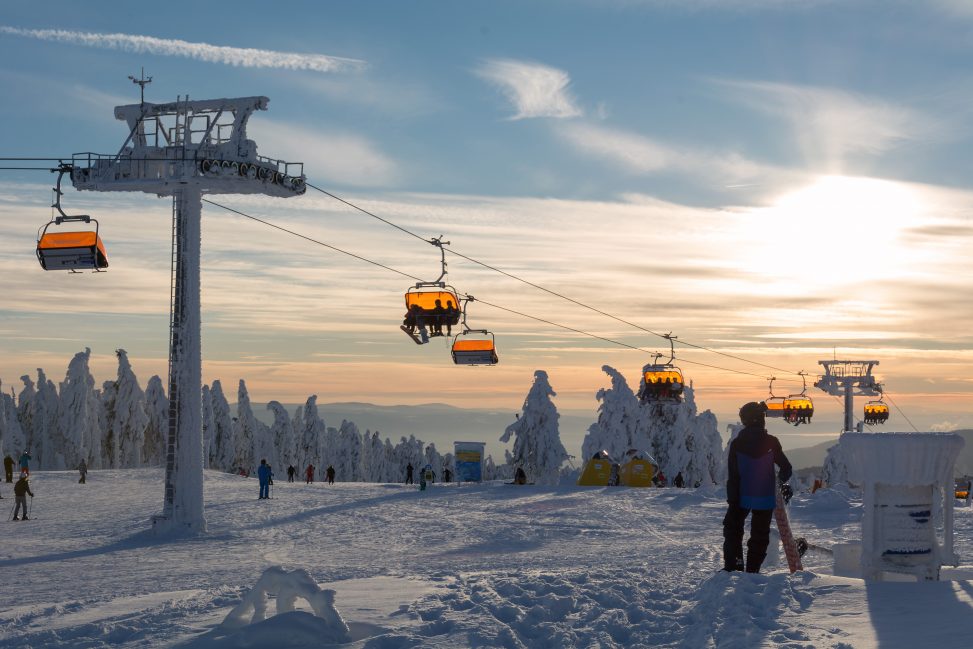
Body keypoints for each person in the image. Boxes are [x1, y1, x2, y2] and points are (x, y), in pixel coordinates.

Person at [723, 401, 793, 573]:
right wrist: (778, 483)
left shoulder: (737, 444)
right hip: (765, 496)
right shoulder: (771, 442)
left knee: (733, 530)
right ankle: (753, 570)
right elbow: (786, 468)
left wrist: (733, 500)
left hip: (741, 496)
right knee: (760, 535)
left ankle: (735, 567)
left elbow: (734, 475)